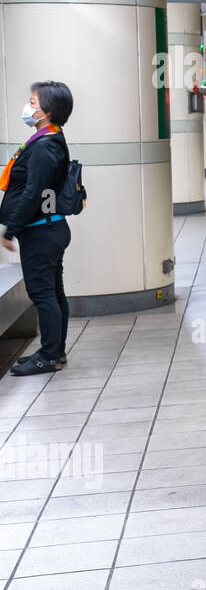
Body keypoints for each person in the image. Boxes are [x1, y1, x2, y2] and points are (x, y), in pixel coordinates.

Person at [0, 81, 76, 376]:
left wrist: (10, 229)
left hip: (41, 231)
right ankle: (55, 351)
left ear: (47, 111)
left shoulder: (45, 147)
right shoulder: (48, 139)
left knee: (43, 294)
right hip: (47, 229)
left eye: (32, 102)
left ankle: (49, 356)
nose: (28, 107)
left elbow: (33, 192)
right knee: (53, 292)